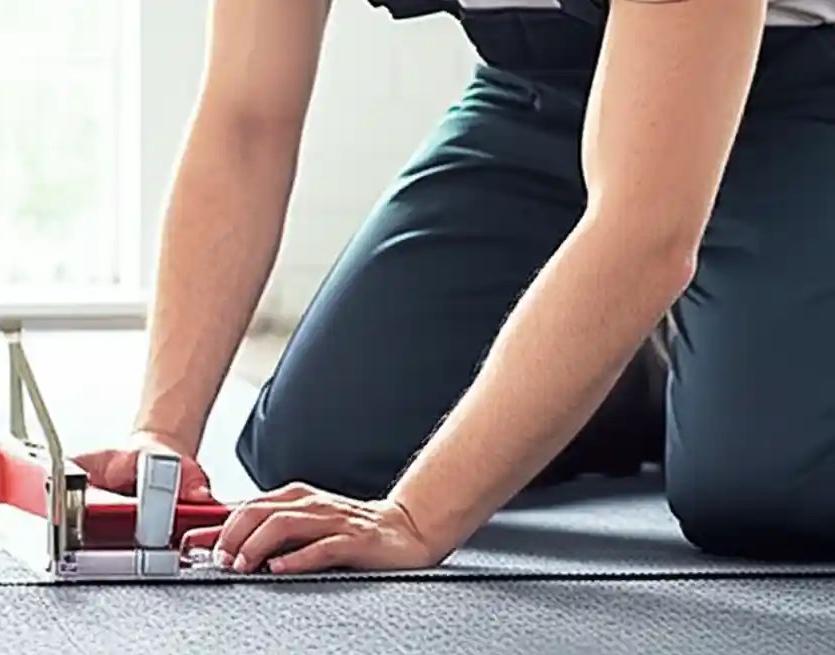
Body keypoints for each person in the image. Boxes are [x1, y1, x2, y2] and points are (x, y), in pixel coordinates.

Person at [74, 0, 835, 573]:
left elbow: (647, 229)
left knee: (761, 491)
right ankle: (634, 370)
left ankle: (696, 370)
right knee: (322, 447)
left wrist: (413, 518)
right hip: (538, 87)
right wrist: (163, 437)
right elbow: (245, 119)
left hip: (801, 85)